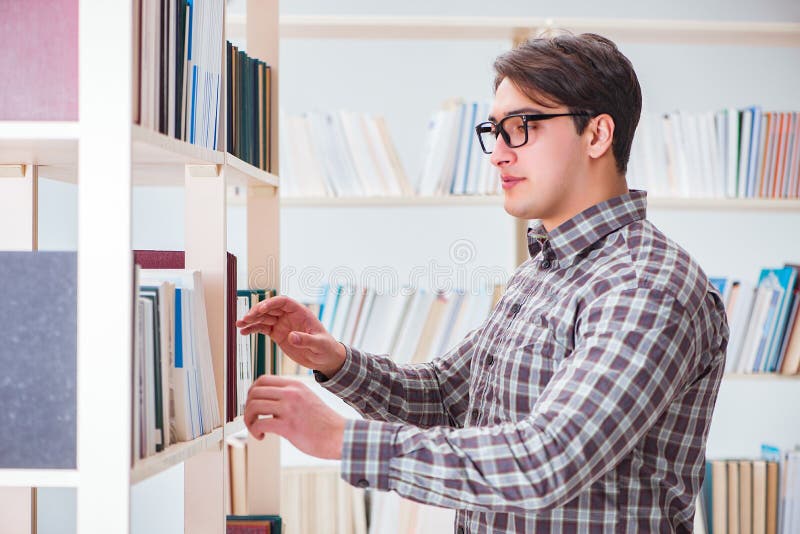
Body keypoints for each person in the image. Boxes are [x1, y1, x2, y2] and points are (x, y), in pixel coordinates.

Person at [237, 31, 728, 533]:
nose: (496, 154)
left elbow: (548, 460)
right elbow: (447, 401)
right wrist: (336, 360)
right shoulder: (537, 273)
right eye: (494, 130)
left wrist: (341, 439)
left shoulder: (646, 284)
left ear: (598, 135)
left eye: (520, 128)